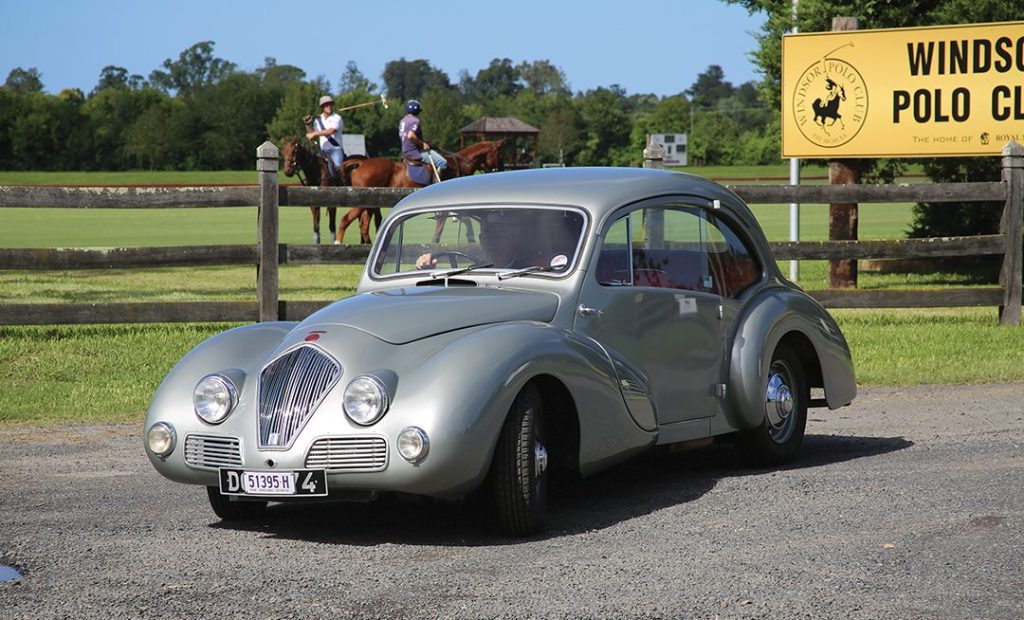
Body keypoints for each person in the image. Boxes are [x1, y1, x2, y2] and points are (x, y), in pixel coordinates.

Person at [416, 213, 528, 270]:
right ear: (480, 239)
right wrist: (426, 267)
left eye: (499, 235)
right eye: (486, 235)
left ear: (514, 238)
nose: (491, 241)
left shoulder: (530, 271)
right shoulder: (472, 271)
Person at [399, 99, 447, 180]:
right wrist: (422, 144)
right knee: (442, 162)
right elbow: (410, 135)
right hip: (415, 152)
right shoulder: (415, 120)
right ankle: (436, 185)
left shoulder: (403, 120)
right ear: (417, 111)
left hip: (405, 152)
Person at [306, 95, 344, 178]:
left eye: (330, 104)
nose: (329, 106)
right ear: (322, 107)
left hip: (335, 149)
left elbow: (330, 131)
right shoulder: (318, 120)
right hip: (322, 151)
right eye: (326, 105)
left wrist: (314, 134)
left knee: (338, 168)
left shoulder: (337, 118)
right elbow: (313, 135)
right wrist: (308, 125)